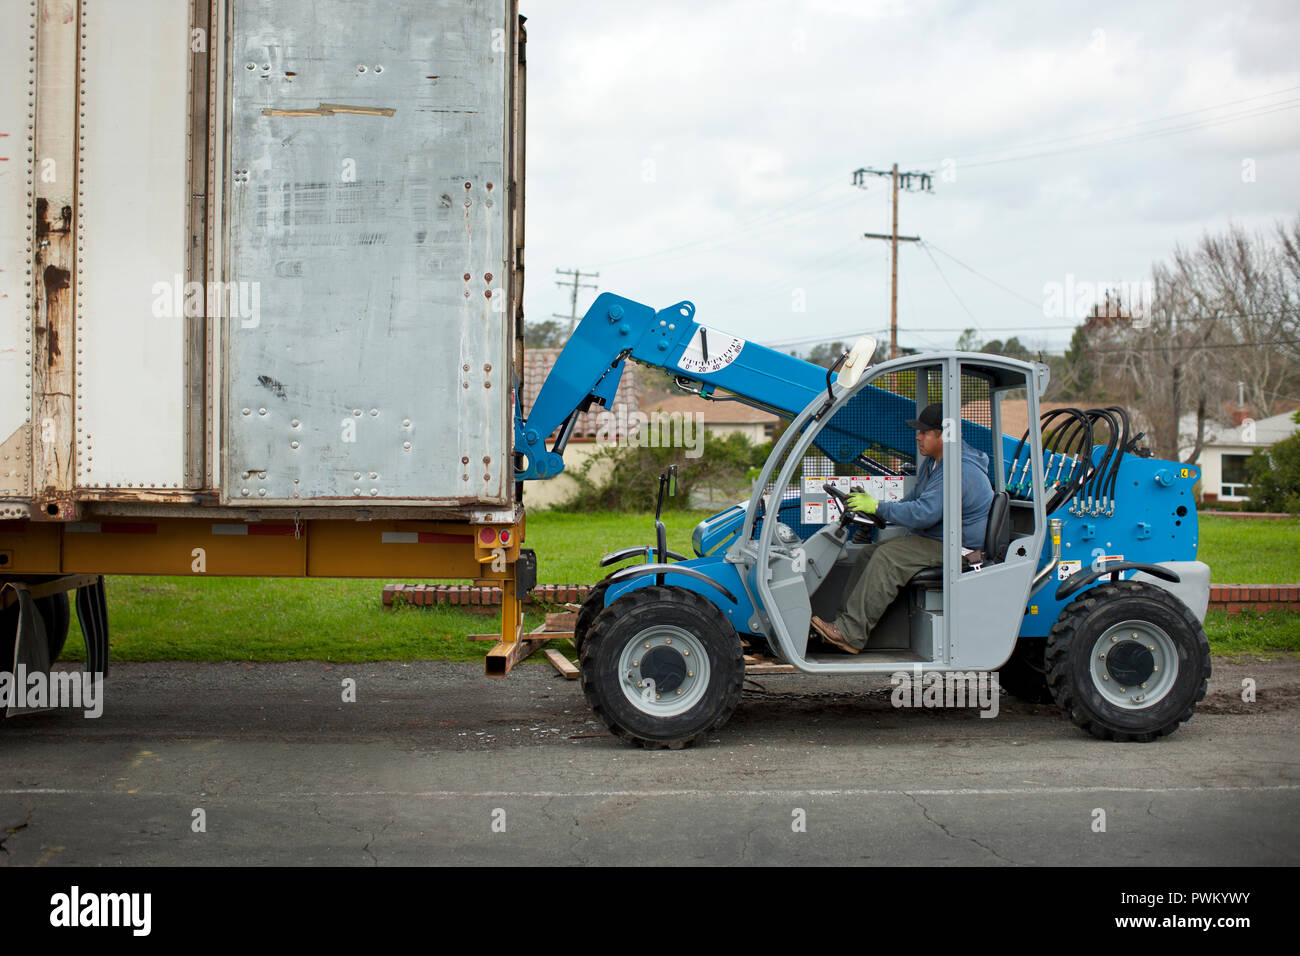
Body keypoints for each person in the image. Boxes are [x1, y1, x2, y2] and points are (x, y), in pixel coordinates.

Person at [810, 403, 994, 654]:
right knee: (867, 553)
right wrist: (877, 508)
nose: (917, 436)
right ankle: (844, 627)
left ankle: (851, 633)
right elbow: (913, 502)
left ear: (944, 433)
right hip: (938, 540)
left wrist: (877, 507)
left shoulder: (958, 469)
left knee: (888, 558)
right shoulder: (934, 465)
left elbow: (923, 514)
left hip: (958, 548)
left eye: (925, 432)